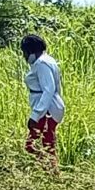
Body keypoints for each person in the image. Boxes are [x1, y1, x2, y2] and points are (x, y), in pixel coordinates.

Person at [22, 33, 64, 162]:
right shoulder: (48, 60)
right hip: (50, 108)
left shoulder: (41, 64)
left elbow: (48, 89)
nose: (24, 56)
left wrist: (35, 115)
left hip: (47, 111)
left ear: (30, 51)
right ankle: (48, 169)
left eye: (25, 53)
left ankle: (49, 170)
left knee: (32, 146)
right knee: (47, 144)